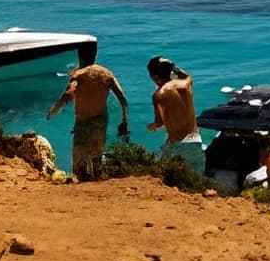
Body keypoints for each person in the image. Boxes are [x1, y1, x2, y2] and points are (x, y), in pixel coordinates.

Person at [46, 45, 128, 181]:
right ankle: (97, 182)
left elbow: (67, 96)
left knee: (80, 160)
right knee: (97, 156)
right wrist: (124, 120)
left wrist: (53, 112)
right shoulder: (106, 73)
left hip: (83, 122)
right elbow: (123, 99)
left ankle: (83, 186)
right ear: (94, 56)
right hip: (101, 120)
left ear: (80, 58)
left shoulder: (79, 75)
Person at [145, 56, 201, 167]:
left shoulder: (159, 95)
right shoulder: (185, 84)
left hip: (178, 144)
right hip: (195, 139)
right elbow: (186, 75)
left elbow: (159, 122)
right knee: (195, 174)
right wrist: (173, 66)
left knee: (164, 172)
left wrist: (151, 127)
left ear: (154, 76)